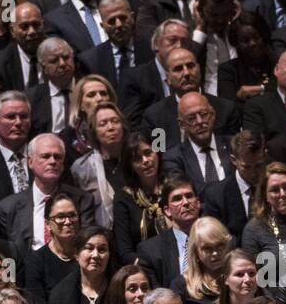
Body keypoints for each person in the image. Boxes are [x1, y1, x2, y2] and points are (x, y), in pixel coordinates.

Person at [49, 225, 113, 304]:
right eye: (89, 248)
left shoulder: (120, 287)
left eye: (102, 250)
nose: (95, 255)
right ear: (77, 254)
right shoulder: (60, 294)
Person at [69, 103, 129, 223]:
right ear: (94, 131)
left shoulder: (136, 158)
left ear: (123, 126)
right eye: (103, 123)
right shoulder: (81, 168)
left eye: (115, 121)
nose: (111, 127)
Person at [135, 177, 200, 288]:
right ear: (167, 210)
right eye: (177, 199)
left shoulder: (218, 240)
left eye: (189, 196)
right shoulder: (150, 251)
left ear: (198, 203)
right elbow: (154, 296)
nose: (185, 202)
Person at [112, 132, 167, 262]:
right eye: (137, 159)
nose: (145, 161)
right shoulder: (123, 198)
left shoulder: (173, 188)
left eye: (148, 153)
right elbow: (125, 251)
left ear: (157, 153)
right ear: (130, 166)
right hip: (143, 269)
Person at [172, 215, 231, 304]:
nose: (215, 253)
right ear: (196, 252)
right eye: (207, 248)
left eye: (220, 245)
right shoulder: (181, 285)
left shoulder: (239, 278)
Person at [22, 192, 81, 304]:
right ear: (48, 224)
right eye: (60, 217)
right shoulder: (35, 261)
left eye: (72, 215)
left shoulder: (89, 253)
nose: (68, 222)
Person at [217, 12, 275, 104]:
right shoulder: (227, 70)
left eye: (256, 37)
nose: (252, 43)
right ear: (236, 43)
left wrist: (261, 89)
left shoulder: (277, 62)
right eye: (245, 40)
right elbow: (227, 105)